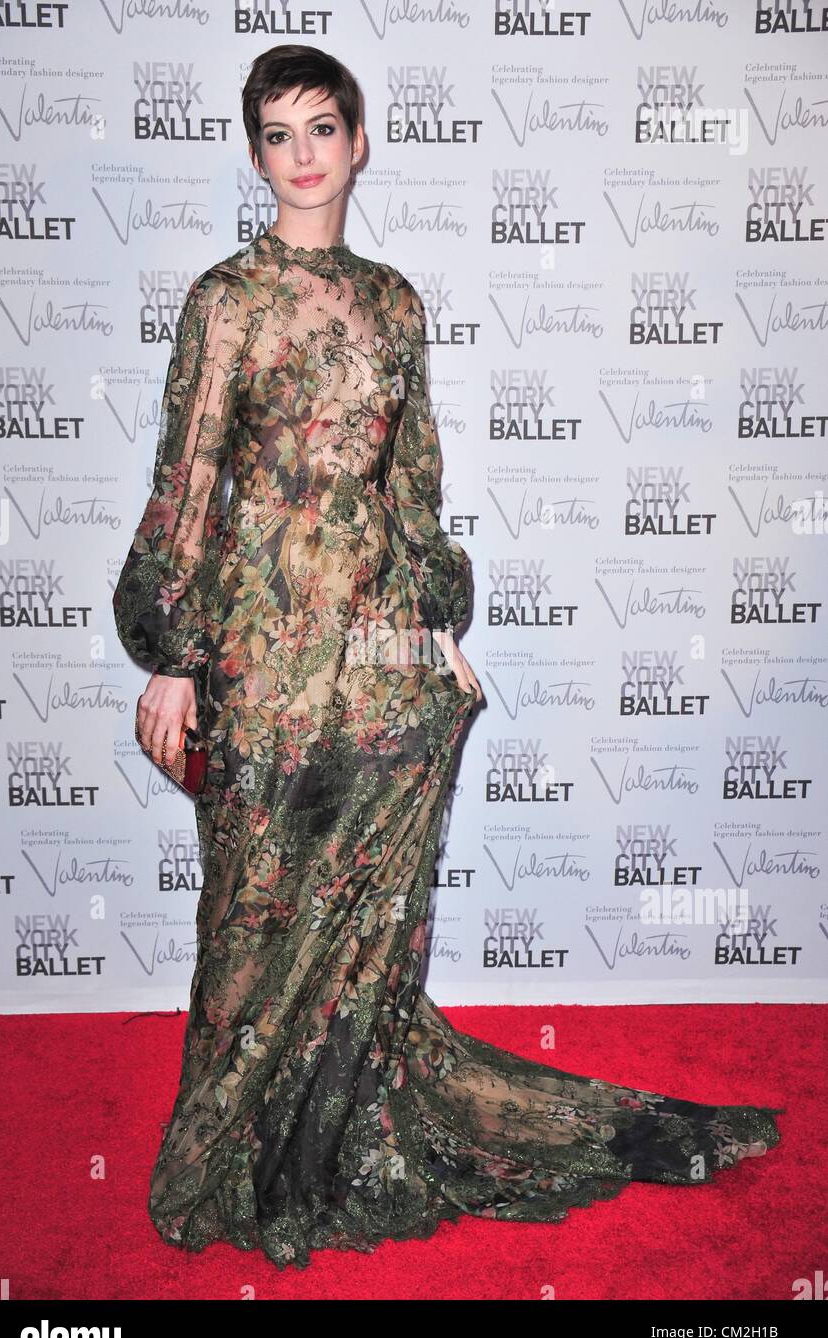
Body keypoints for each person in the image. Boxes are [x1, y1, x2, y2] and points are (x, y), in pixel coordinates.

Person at [112, 44, 783, 1272]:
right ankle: (235, 1152)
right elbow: (188, 482)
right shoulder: (227, 299)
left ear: (360, 142)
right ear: (254, 152)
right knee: (252, 915)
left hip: (373, 651)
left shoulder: (395, 303)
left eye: (324, 127)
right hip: (261, 652)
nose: (304, 153)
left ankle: (331, 1136)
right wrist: (171, 653)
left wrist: (437, 628)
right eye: (278, 132)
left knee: (364, 924)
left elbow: (411, 488)